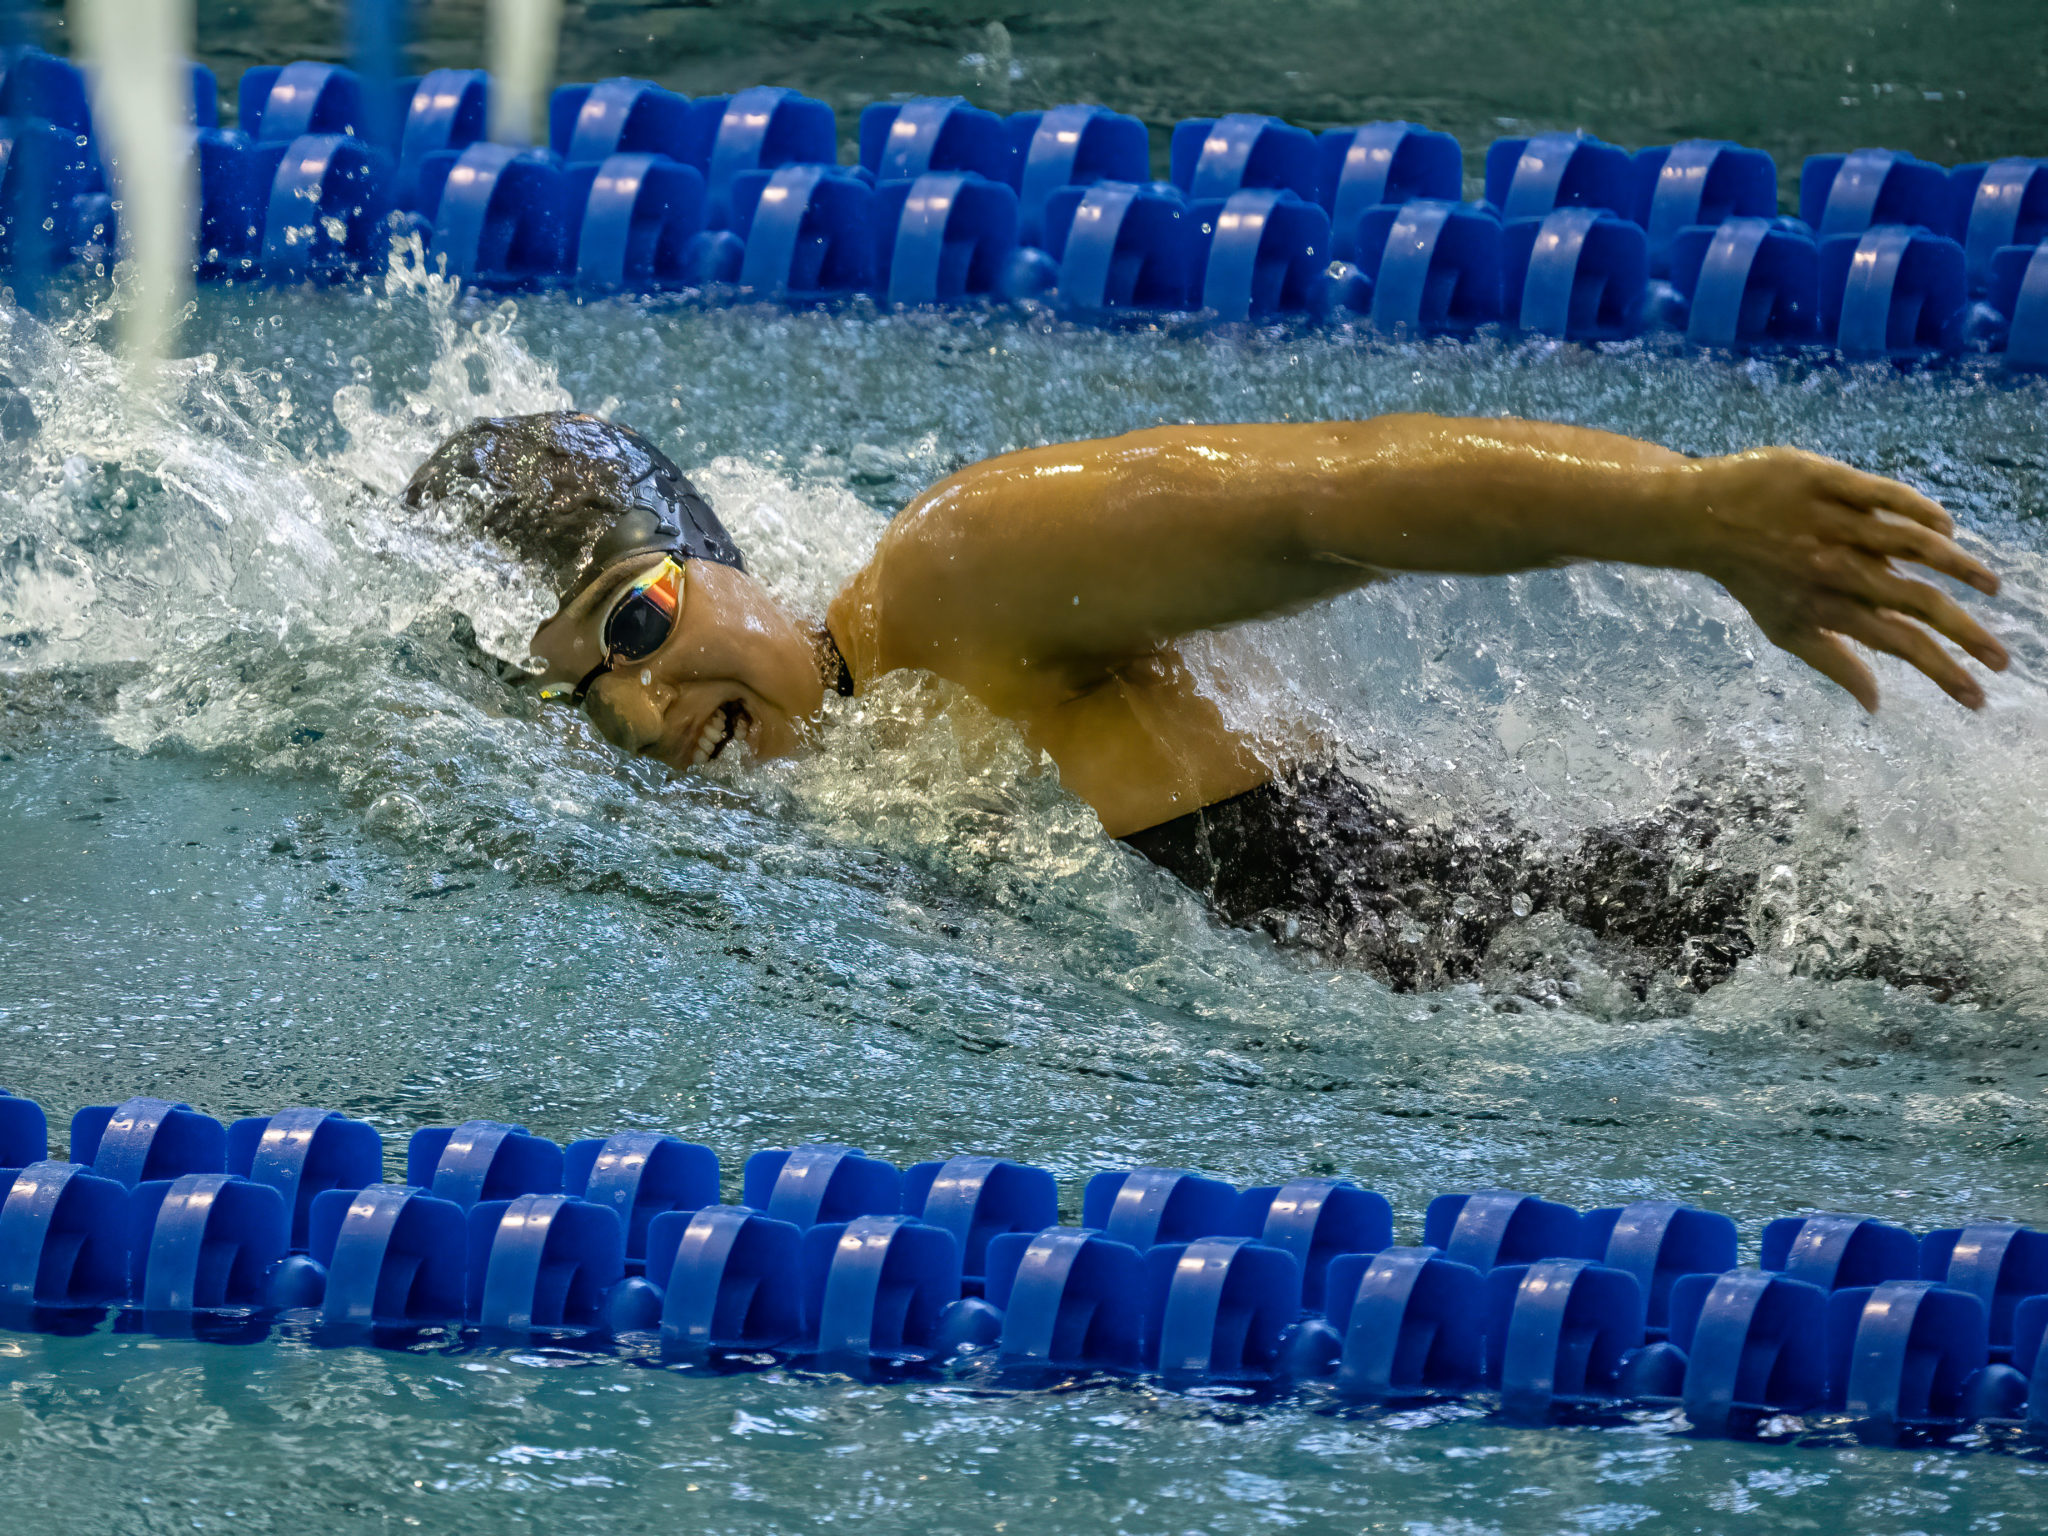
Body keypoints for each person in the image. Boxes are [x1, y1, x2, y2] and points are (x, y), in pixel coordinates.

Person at [405, 410, 2006, 992]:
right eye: (591, 695)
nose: (646, 702)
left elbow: (1324, 496)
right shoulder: (867, 763)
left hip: (1703, 941)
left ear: (714, 562)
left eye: (637, 617)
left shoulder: (953, 583)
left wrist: (1686, 517)